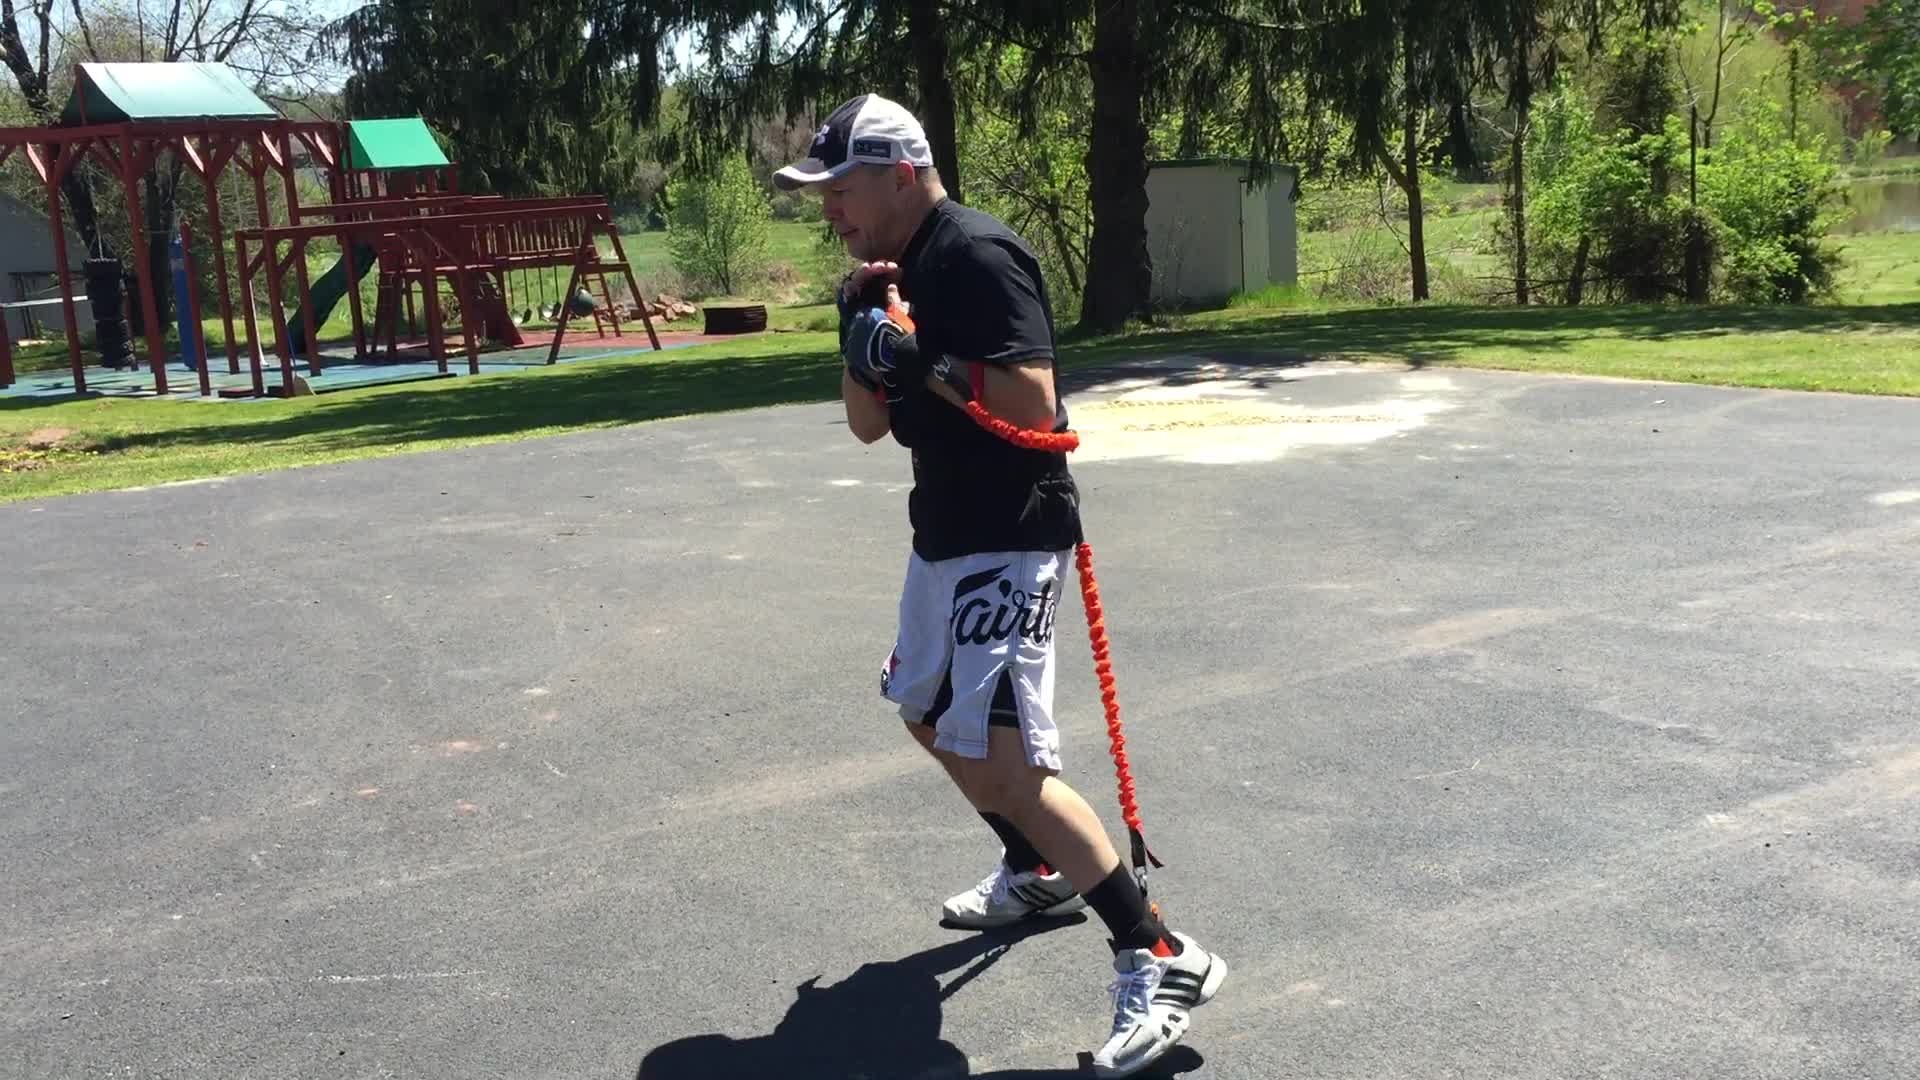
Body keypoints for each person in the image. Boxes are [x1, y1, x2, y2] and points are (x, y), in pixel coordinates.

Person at [772, 93, 1228, 1078]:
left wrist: (914, 354)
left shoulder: (977, 255)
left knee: (1011, 769)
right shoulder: (895, 272)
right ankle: (1034, 866)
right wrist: (860, 341)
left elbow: (1030, 398)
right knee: (924, 713)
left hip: (1007, 542)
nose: (829, 211)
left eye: (839, 190)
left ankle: (1156, 950)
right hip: (942, 536)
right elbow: (867, 426)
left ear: (899, 174)